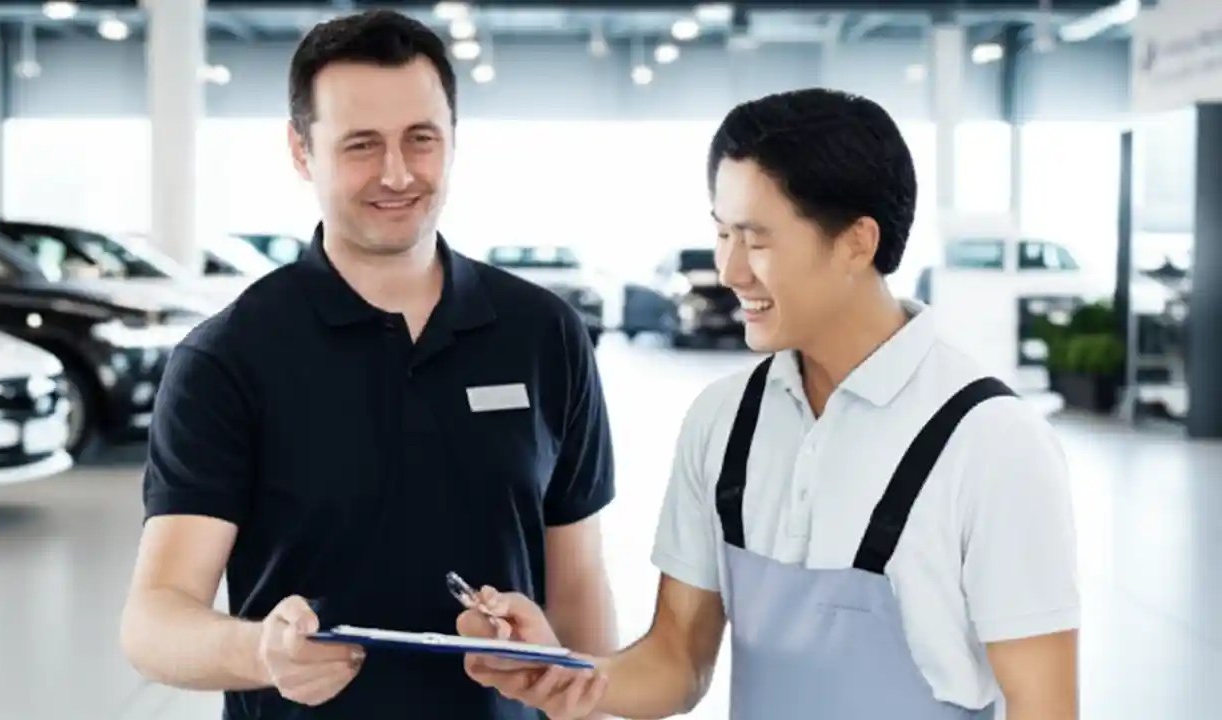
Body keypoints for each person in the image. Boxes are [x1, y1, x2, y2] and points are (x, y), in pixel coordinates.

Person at [456, 88, 1080, 720]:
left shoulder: (992, 440)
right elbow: (676, 660)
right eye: (721, 232)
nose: (729, 269)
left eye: (756, 239)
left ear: (857, 243)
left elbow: (1044, 704)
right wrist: (563, 672)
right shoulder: (723, 422)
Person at [119, 10, 617, 719]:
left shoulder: (544, 334)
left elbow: (579, 582)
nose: (396, 173)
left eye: (421, 139)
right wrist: (261, 651)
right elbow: (154, 621)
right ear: (301, 151)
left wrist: (587, 704)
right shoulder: (229, 356)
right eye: (360, 145)